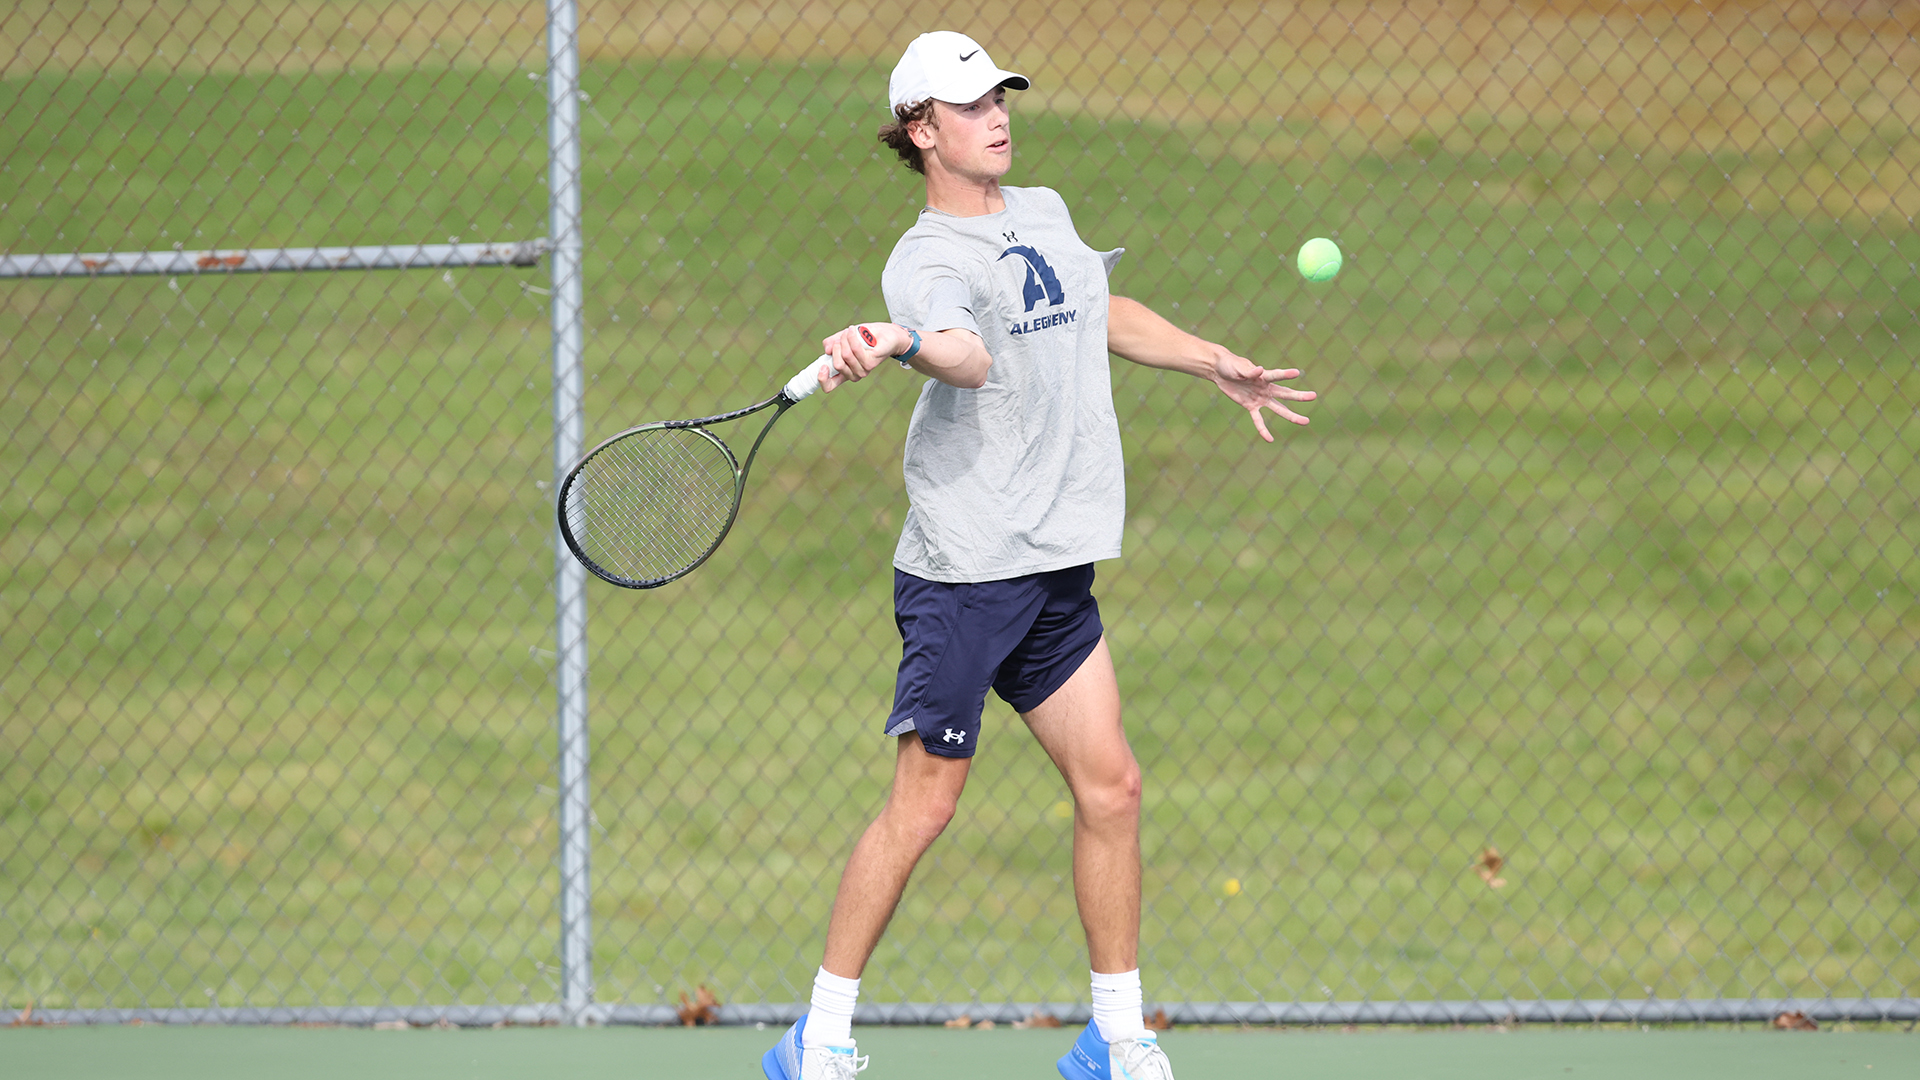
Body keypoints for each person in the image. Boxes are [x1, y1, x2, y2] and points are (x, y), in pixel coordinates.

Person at [761, 30, 1316, 1080]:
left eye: (1001, 98)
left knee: (1113, 789)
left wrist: (1212, 363)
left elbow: (1099, 314)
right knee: (925, 805)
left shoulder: (1046, 212)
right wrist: (904, 341)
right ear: (923, 131)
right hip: (967, 574)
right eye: (970, 107)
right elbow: (966, 355)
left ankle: (1114, 1037)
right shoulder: (925, 260)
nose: (999, 117)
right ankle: (819, 1036)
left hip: (1053, 565)